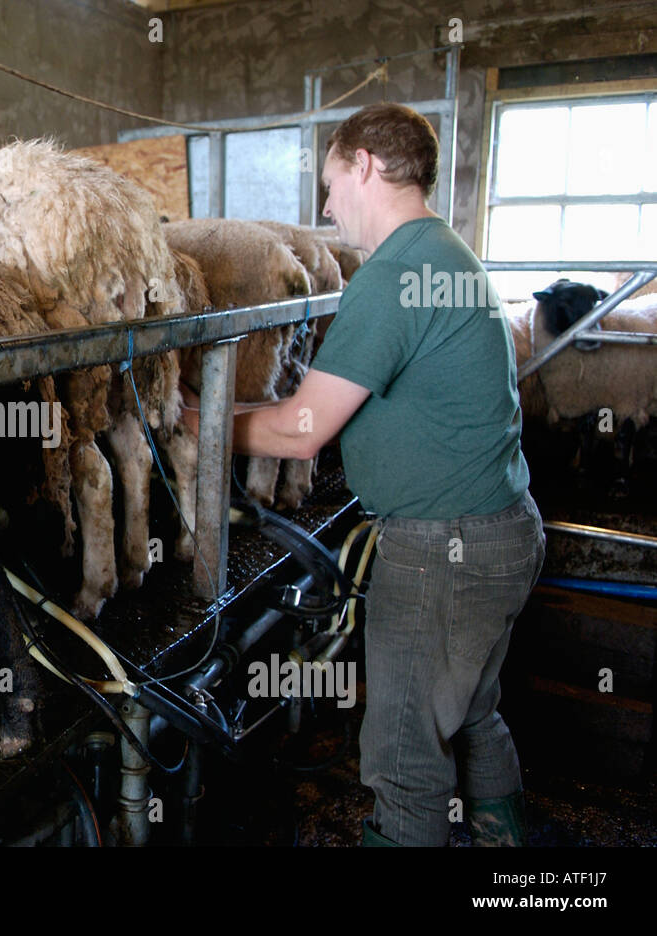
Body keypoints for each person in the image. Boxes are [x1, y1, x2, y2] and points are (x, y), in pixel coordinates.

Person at [231, 102, 546, 846]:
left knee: (404, 756)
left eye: (333, 183)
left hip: (444, 553)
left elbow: (302, 431)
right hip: (503, 531)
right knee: (471, 713)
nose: (329, 206)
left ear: (365, 164)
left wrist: (199, 420)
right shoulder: (451, 255)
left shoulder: (394, 272)